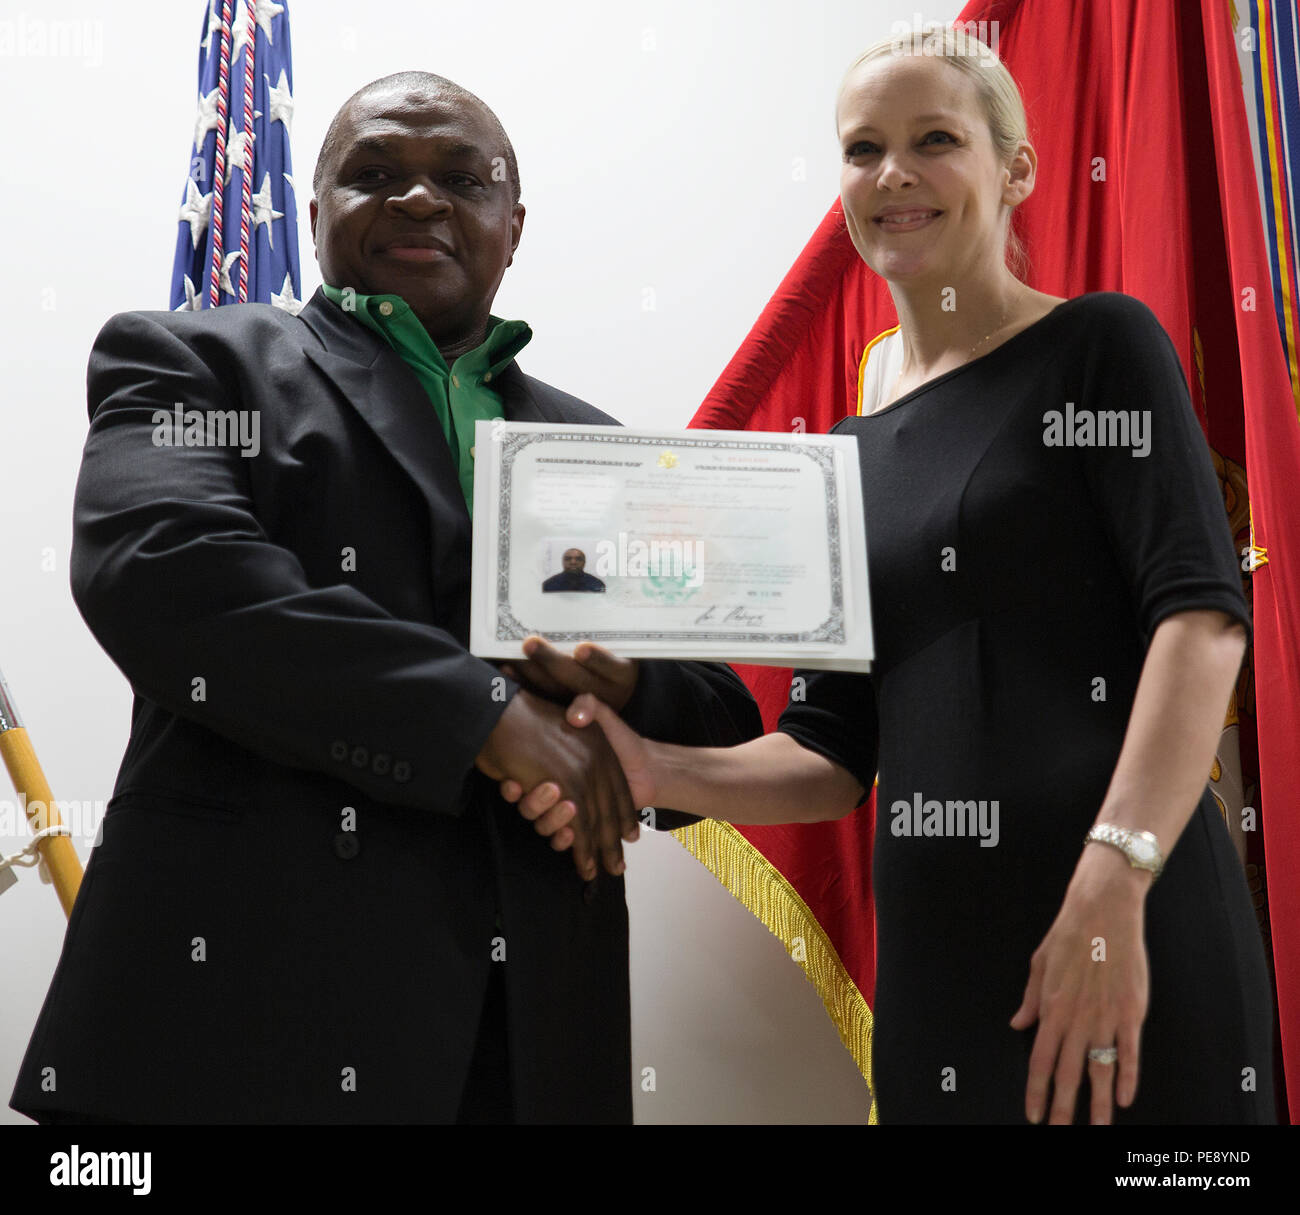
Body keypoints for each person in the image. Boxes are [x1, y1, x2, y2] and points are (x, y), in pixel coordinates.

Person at [502, 30, 1277, 1125]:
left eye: (933, 141)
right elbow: (829, 755)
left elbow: (1200, 624)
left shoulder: (1101, 346)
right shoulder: (846, 456)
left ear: (1015, 171)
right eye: (863, 149)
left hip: (1127, 923)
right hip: (942, 971)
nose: (891, 175)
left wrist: (1114, 879)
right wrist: (645, 765)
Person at [9, 71, 760, 1125]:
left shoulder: (600, 446)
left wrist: (621, 684)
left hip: (530, 1040)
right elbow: (166, 572)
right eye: (374, 175)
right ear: (313, 215)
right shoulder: (194, 361)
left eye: (460, 177)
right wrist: (485, 718)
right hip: (243, 1027)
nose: (417, 200)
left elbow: (721, 717)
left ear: (513, 224)